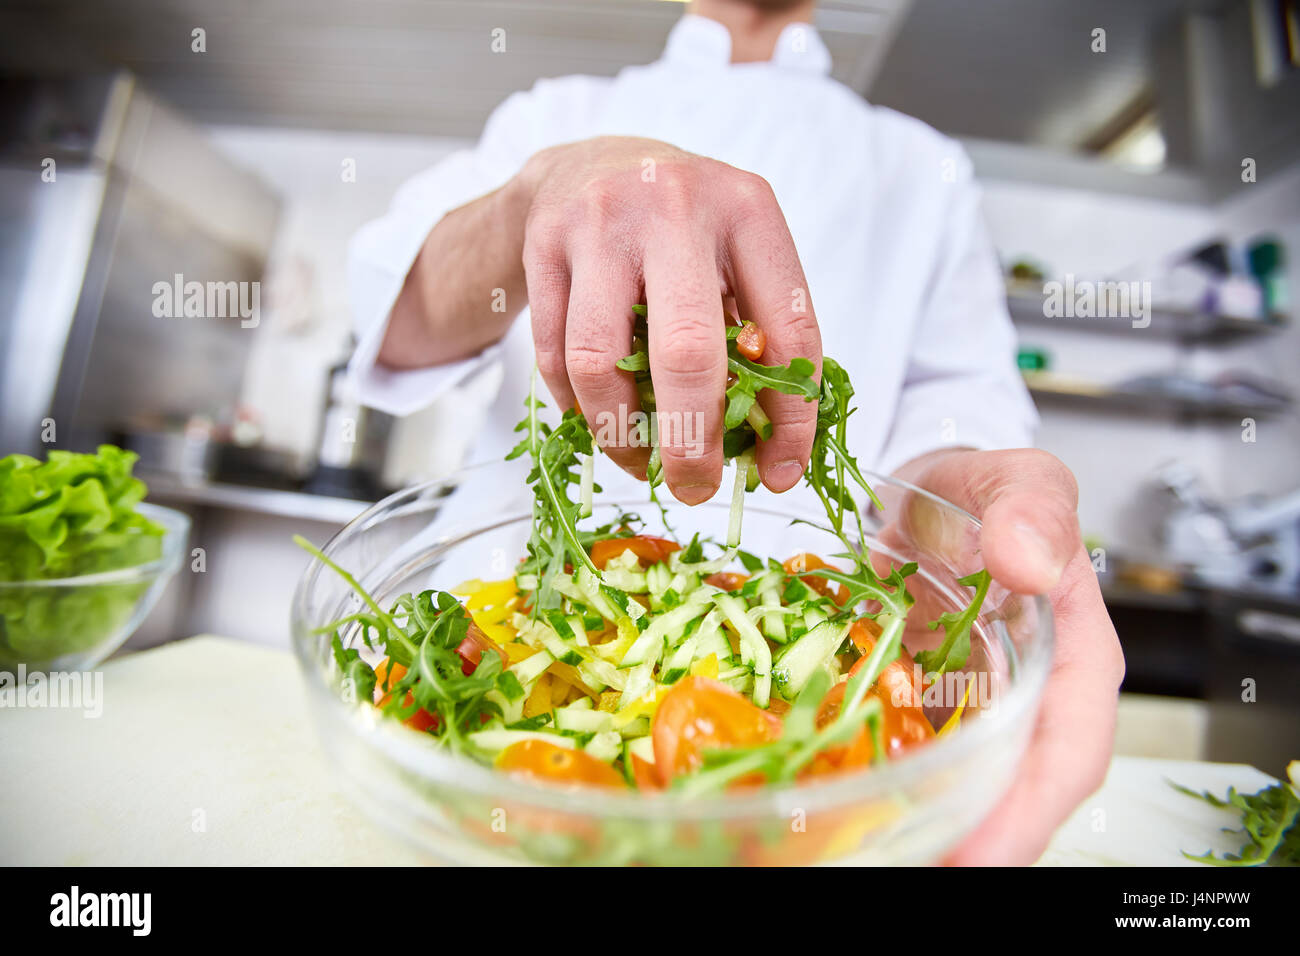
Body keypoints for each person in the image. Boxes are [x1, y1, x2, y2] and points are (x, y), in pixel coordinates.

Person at [346, 0, 1124, 865]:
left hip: (798, 738)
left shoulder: (924, 167)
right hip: (486, 700)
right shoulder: (552, 114)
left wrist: (971, 511)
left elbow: (955, 423)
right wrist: (540, 192)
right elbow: (389, 327)